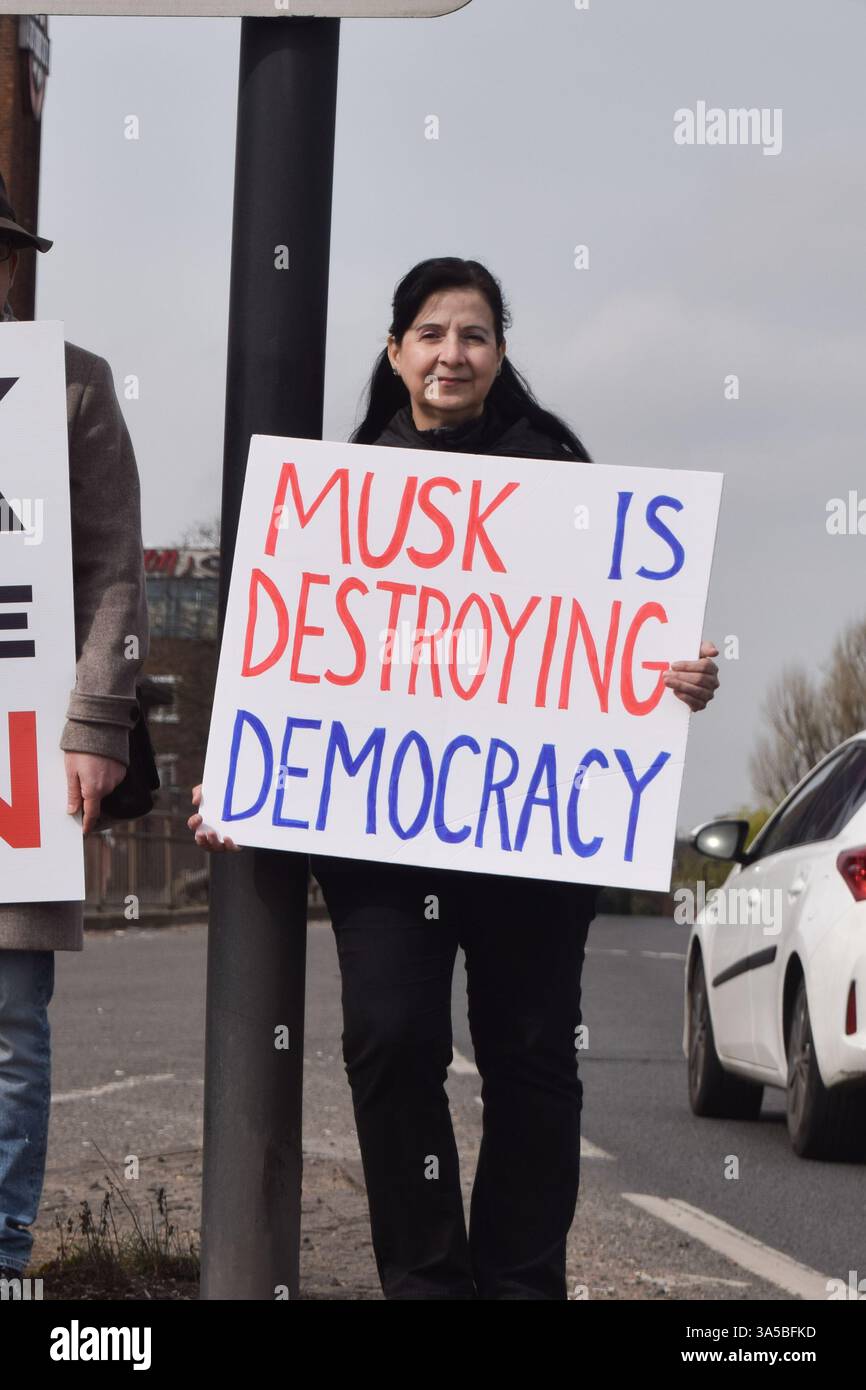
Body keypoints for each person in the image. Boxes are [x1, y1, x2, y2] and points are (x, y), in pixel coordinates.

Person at [189, 257, 719, 1300]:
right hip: (383, 843)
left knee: (528, 1060)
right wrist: (239, 772)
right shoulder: (339, 496)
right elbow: (286, 657)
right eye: (430, 333)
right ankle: (427, 1279)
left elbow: (609, 641)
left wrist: (679, 676)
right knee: (392, 1040)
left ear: (500, 355)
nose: (451, 353)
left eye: (473, 334)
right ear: (395, 354)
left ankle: (521, 1283)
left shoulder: (560, 476)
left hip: (528, 837)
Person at [0, 173, 149, 1282]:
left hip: (19, 743)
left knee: (7, 1021)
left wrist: (94, 721)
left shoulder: (69, 388)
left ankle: (1, 1255)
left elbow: (109, 567)